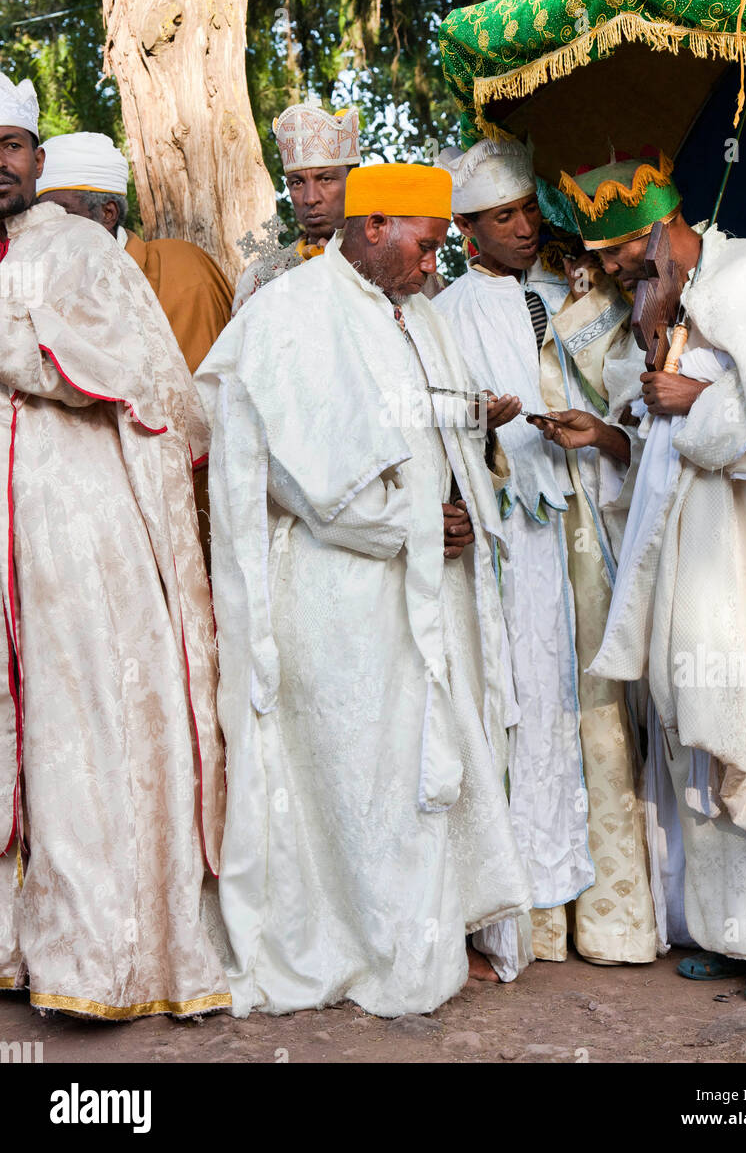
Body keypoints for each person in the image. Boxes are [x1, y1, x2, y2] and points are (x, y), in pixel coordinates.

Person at [197, 162, 531, 1017]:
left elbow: (433, 428)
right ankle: (361, 945)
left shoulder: (415, 312)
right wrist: (422, 523)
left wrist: (460, 483)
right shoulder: (294, 317)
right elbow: (322, 486)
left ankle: (419, 937)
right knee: (356, 772)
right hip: (341, 595)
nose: (435, 266)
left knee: (418, 761)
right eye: (425, 246)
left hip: (423, 584)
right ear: (376, 225)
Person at [540, 151, 746, 1002]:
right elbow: (662, 447)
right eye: (604, 262)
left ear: (662, 229)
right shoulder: (660, 308)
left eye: (620, 256)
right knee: (709, 737)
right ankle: (743, 932)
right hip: (704, 566)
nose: (612, 273)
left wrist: (703, 401)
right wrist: (632, 414)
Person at [0, 72, 228, 1019]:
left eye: (8, 147)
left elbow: (150, 382)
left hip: (76, 534)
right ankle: (20, 945)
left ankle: (103, 961)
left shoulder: (83, 249)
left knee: (82, 732)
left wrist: (20, 347)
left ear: (37, 160)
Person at [434, 138, 657, 966]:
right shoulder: (443, 312)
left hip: (588, 526)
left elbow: (633, 395)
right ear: (466, 231)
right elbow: (424, 426)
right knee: (519, 705)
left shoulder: (579, 294)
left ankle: (613, 918)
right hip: (508, 539)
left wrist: (598, 430)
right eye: (504, 216)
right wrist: (476, 430)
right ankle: (524, 917)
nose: (525, 227)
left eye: (529, 209)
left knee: (595, 711)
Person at [37, 132, 233, 376]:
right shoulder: (39, 284)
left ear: (108, 213)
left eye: (61, 214)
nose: (46, 228)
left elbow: (201, 393)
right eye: (40, 215)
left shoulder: (180, 268)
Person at [231, 101, 360, 313]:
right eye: (297, 182)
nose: (310, 198)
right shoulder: (263, 276)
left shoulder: (385, 269)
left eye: (326, 179)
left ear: (354, 181)